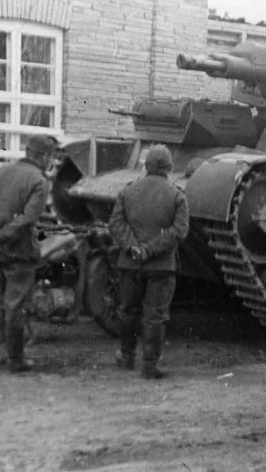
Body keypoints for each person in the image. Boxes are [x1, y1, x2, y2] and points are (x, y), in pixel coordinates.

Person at [0, 134, 58, 373]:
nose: (52, 162)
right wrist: (3, 235)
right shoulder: (39, 180)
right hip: (20, 250)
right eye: (52, 157)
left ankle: (9, 352)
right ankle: (15, 360)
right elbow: (29, 219)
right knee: (15, 305)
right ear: (44, 156)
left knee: (1, 302)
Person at [109, 144, 189, 379]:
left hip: (129, 262)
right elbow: (180, 231)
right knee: (155, 315)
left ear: (145, 165)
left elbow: (115, 223)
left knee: (128, 311)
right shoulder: (176, 195)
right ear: (170, 167)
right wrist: (150, 250)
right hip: (161, 266)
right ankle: (150, 365)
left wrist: (134, 246)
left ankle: (126, 357)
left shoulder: (128, 191)